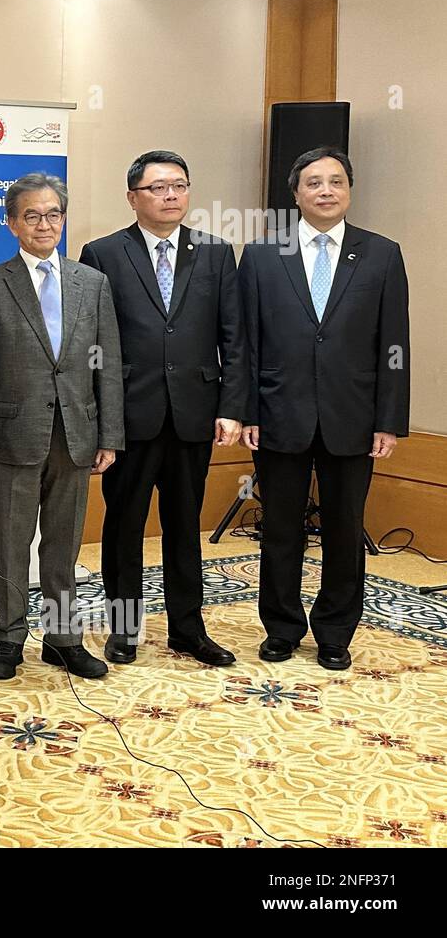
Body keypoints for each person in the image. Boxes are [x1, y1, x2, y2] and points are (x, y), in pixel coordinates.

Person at [240, 147, 409, 671]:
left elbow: (394, 343)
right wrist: (246, 411)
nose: (326, 190)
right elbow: (246, 342)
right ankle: (282, 629)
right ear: (296, 194)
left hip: (353, 419)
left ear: (350, 190)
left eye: (336, 181)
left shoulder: (381, 253)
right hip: (277, 415)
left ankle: (336, 632)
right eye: (314, 183)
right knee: (281, 529)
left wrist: (389, 419)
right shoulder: (263, 255)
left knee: (344, 528)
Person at [78, 150, 246, 666]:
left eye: (179, 185)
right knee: (124, 524)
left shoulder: (216, 254)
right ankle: (124, 630)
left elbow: (234, 337)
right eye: (158, 187)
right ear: (133, 197)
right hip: (129, 415)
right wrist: (100, 420)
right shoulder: (103, 253)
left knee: (184, 524)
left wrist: (232, 406)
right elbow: (90, 344)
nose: (170, 195)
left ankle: (187, 630)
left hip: (195, 413)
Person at [0, 172, 123, 681]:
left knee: (63, 545)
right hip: (13, 437)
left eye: (53, 213)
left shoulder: (91, 283)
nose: (44, 224)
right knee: (12, 542)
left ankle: (62, 639)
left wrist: (110, 435)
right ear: (12, 223)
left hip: (78, 436)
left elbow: (109, 366)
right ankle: (8, 638)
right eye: (31, 215)